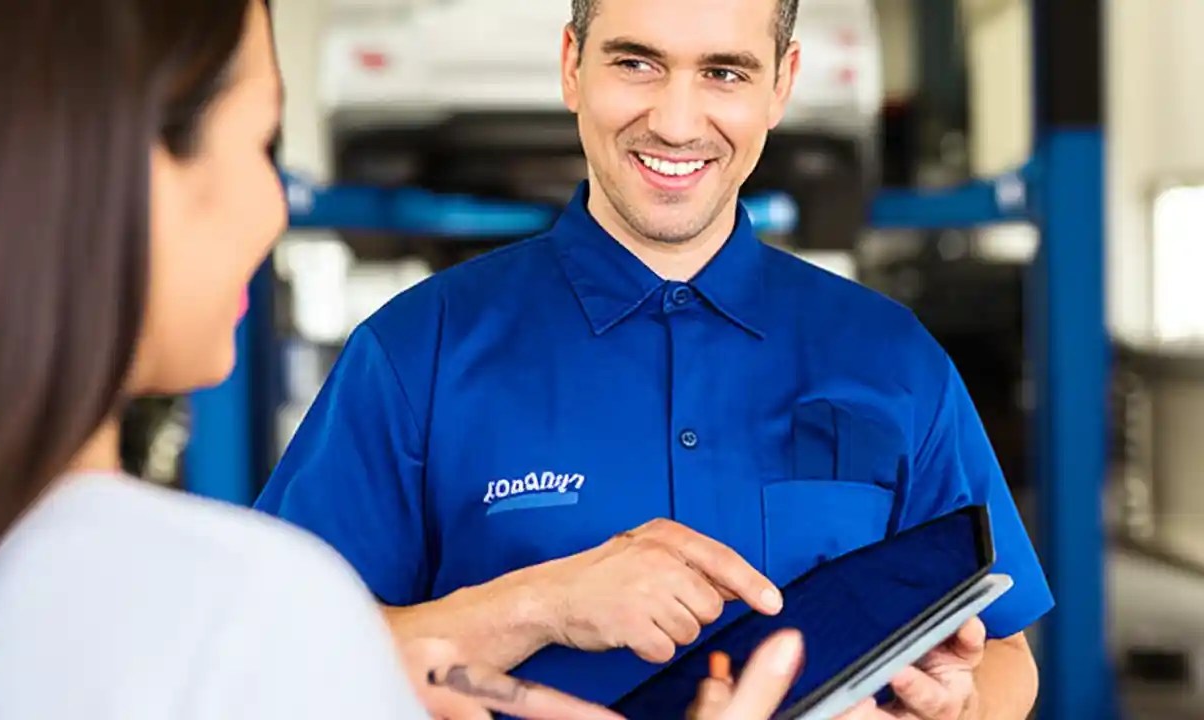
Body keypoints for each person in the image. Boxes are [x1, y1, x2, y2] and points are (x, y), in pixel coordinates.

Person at [254, 0, 1055, 716]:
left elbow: (1007, 656)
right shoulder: (416, 352)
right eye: (637, 63)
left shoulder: (892, 358)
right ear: (572, 66)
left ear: (782, 83)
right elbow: (280, 662)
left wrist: (959, 708)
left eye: (724, 72)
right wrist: (542, 605)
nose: (676, 122)